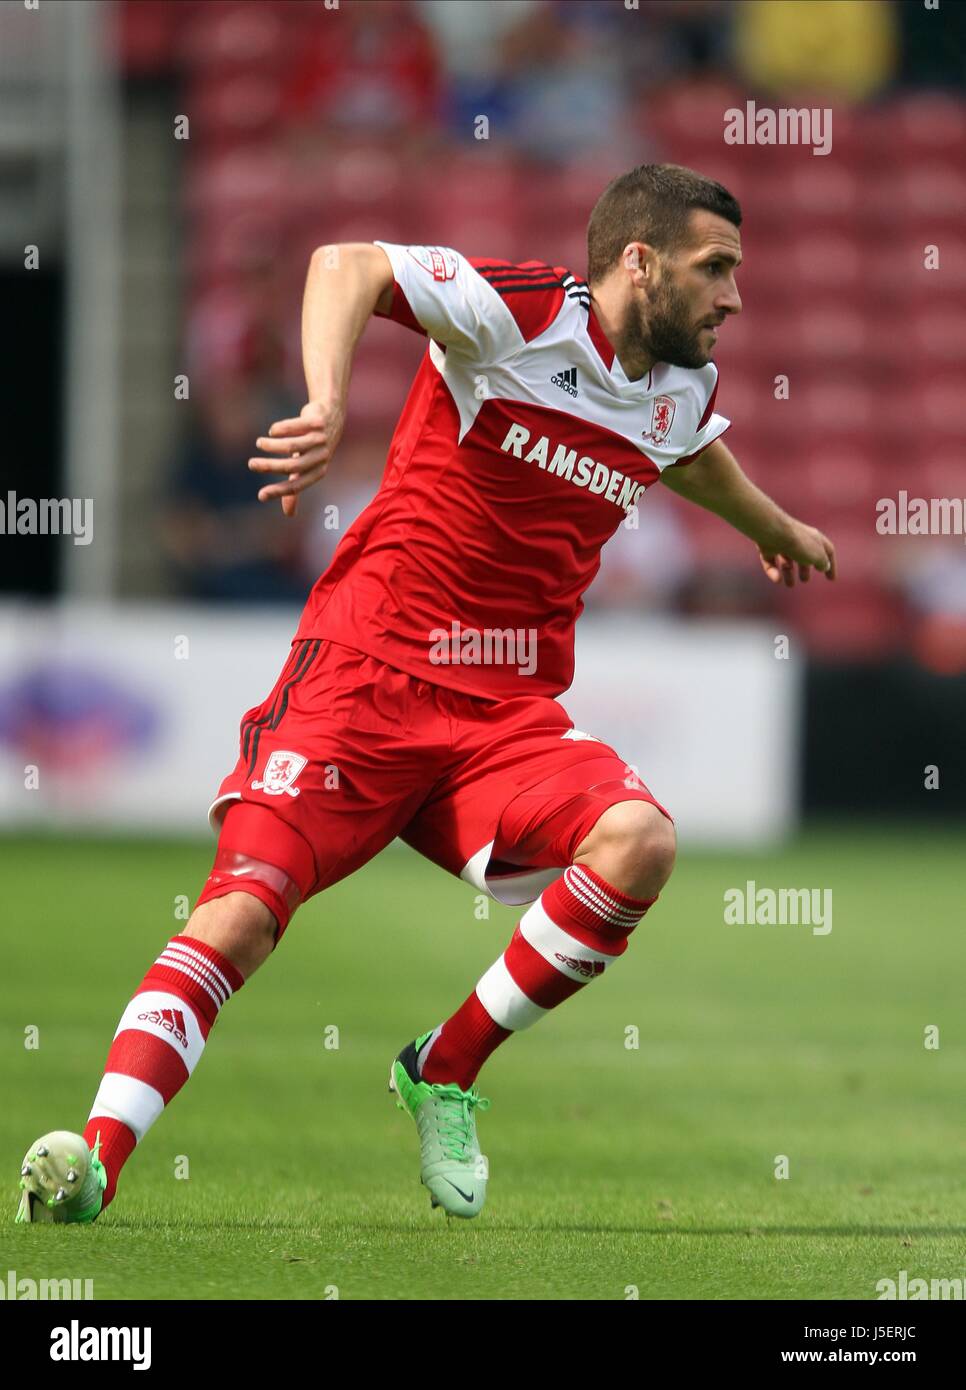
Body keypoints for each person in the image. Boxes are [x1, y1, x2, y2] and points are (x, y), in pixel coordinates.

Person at [17, 164, 835, 1225]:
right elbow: (345, 265)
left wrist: (772, 525)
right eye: (714, 268)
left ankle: (441, 1069)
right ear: (639, 261)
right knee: (244, 918)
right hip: (364, 675)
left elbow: (685, 454)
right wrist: (321, 400)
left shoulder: (682, 385)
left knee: (640, 842)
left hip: (503, 719)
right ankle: (96, 1161)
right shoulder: (526, 313)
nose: (734, 296)